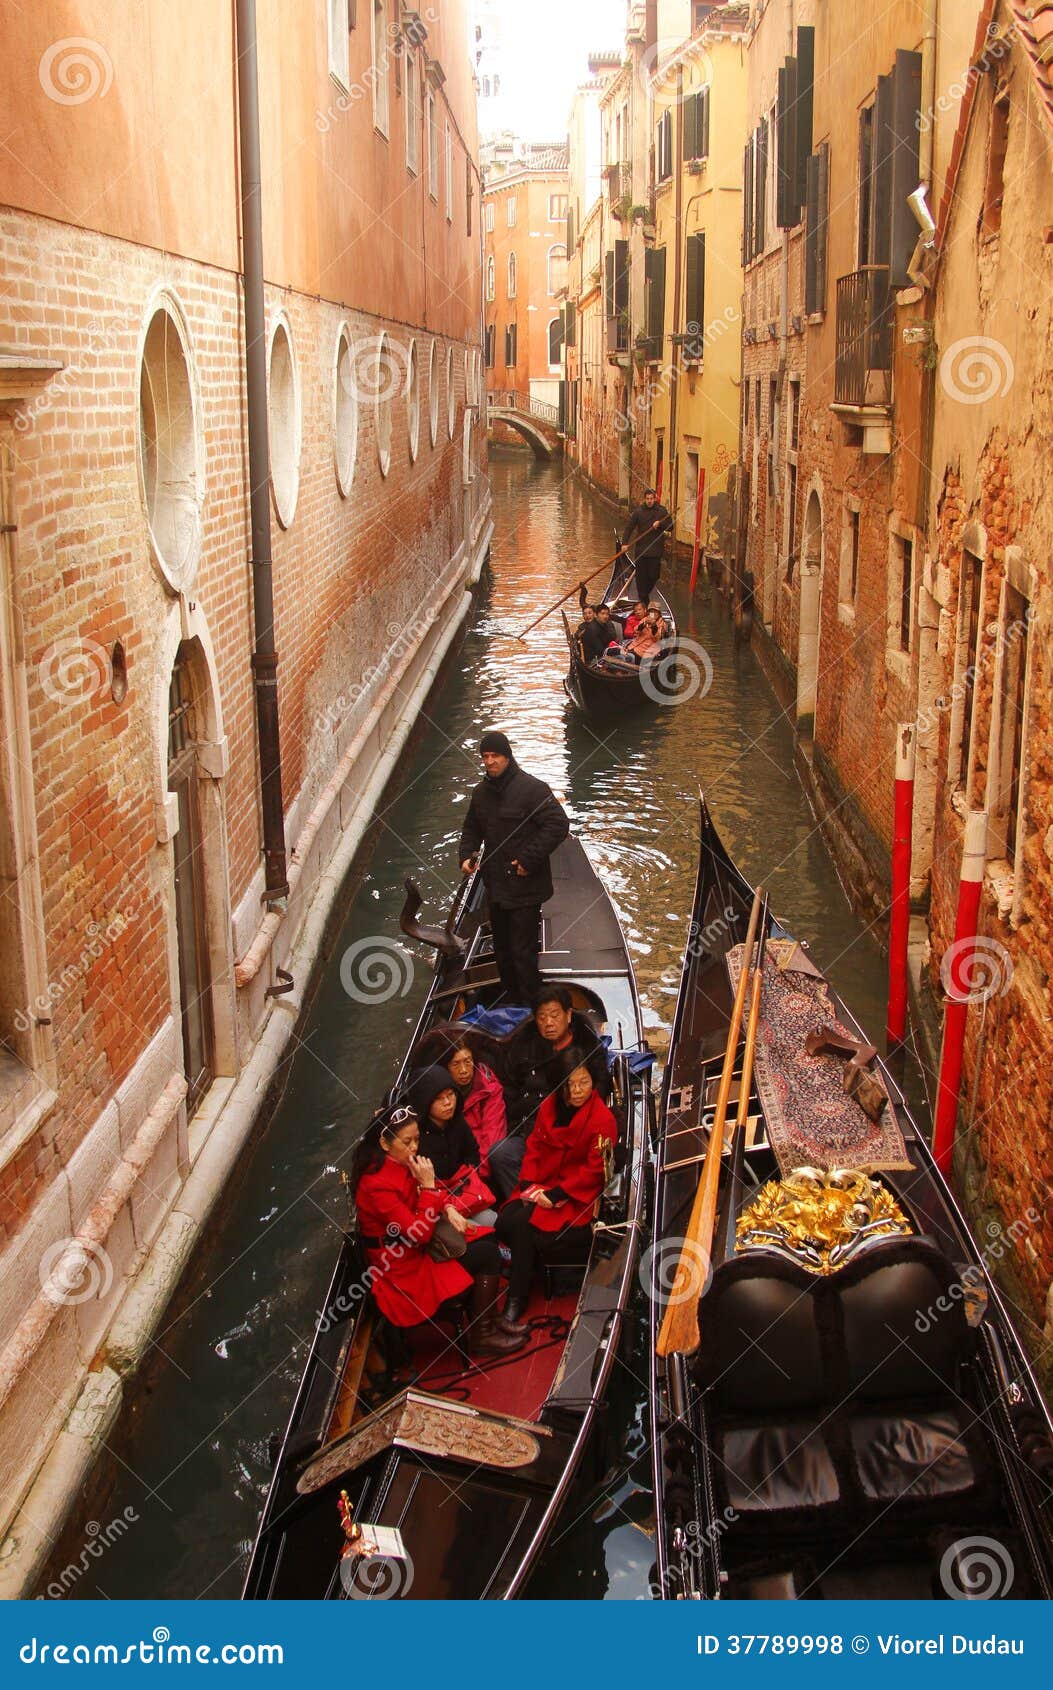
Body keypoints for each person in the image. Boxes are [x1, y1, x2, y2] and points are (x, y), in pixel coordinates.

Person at [350, 1105, 526, 1353]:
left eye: (417, 1139)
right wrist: (431, 1188)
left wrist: (448, 1207)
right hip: (401, 1267)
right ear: (385, 1143)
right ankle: (482, 1335)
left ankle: (491, 1320)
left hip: (417, 1249)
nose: (414, 1147)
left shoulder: (401, 1162)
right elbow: (418, 1234)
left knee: (486, 1243)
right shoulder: (376, 1185)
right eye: (407, 1142)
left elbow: (425, 1195)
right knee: (487, 1255)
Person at [495, 1054, 618, 1326]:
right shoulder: (550, 1106)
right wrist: (528, 1184)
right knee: (505, 1221)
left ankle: (517, 1298)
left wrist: (557, 1194)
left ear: (593, 1082)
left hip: (575, 1197)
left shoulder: (603, 1119)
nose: (576, 1091)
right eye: (570, 1084)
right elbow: (535, 1147)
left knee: (523, 1227)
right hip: (542, 1183)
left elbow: (594, 1171)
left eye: (583, 1083)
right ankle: (527, 1274)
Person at [458, 731, 570, 1006]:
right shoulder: (481, 794)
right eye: (485, 757)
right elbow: (471, 829)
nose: (489, 762)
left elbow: (558, 824)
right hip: (496, 888)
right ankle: (513, 1003)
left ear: (507, 757)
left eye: (495, 756)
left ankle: (532, 1008)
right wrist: (466, 856)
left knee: (523, 955)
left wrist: (528, 860)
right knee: (504, 953)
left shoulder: (532, 789)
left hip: (525, 888)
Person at [487, 983, 610, 1198]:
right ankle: (526, 1200)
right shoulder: (524, 1044)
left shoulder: (588, 1048)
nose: (549, 1023)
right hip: (529, 1130)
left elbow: (600, 1085)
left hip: (571, 1135)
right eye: (542, 1017)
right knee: (500, 1153)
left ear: (569, 1015)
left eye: (554, 1015)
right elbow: (508, 1083)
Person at [408, 1025, 508, 1179]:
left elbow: (492, 1136)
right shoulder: (427, 1093)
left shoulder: (489, 1089)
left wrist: (471, 1179)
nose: (464, 1070)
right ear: (445, 1067)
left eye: (468, 1062)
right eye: (456, 1064)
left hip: (476, 1170)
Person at [622, 487, 671, 606]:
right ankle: (643, 600)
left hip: (656, 551)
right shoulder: (638, 512)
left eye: (651, 498)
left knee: (654, 576)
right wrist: (624, 543)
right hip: (641, 550)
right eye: (647, 499)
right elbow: (629, 528)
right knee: (641, 578)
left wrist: (660, 524)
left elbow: (671, 527)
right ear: (644, 499)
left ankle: (643, 597)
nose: (649, 501)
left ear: (655, 499)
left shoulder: (662, 511)